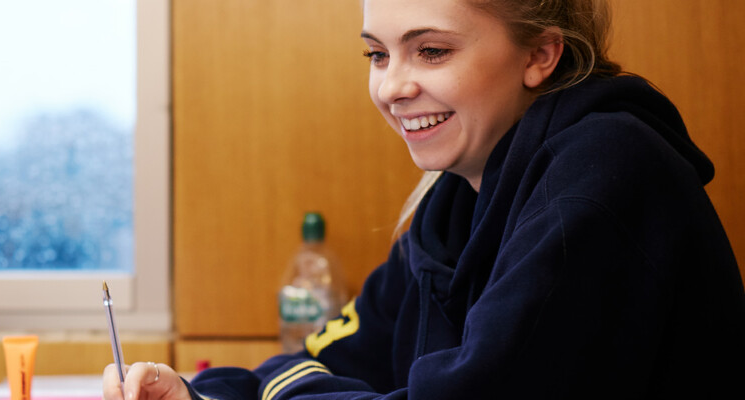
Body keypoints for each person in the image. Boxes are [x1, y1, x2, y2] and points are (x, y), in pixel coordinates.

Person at [103, 0, 745, 398]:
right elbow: (332, 354)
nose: (392, 87)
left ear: (540, 55)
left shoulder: (604, 174)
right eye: (378, 55)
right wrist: (200, 395)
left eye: (430, 51)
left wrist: (283, 393)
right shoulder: (452, 204)